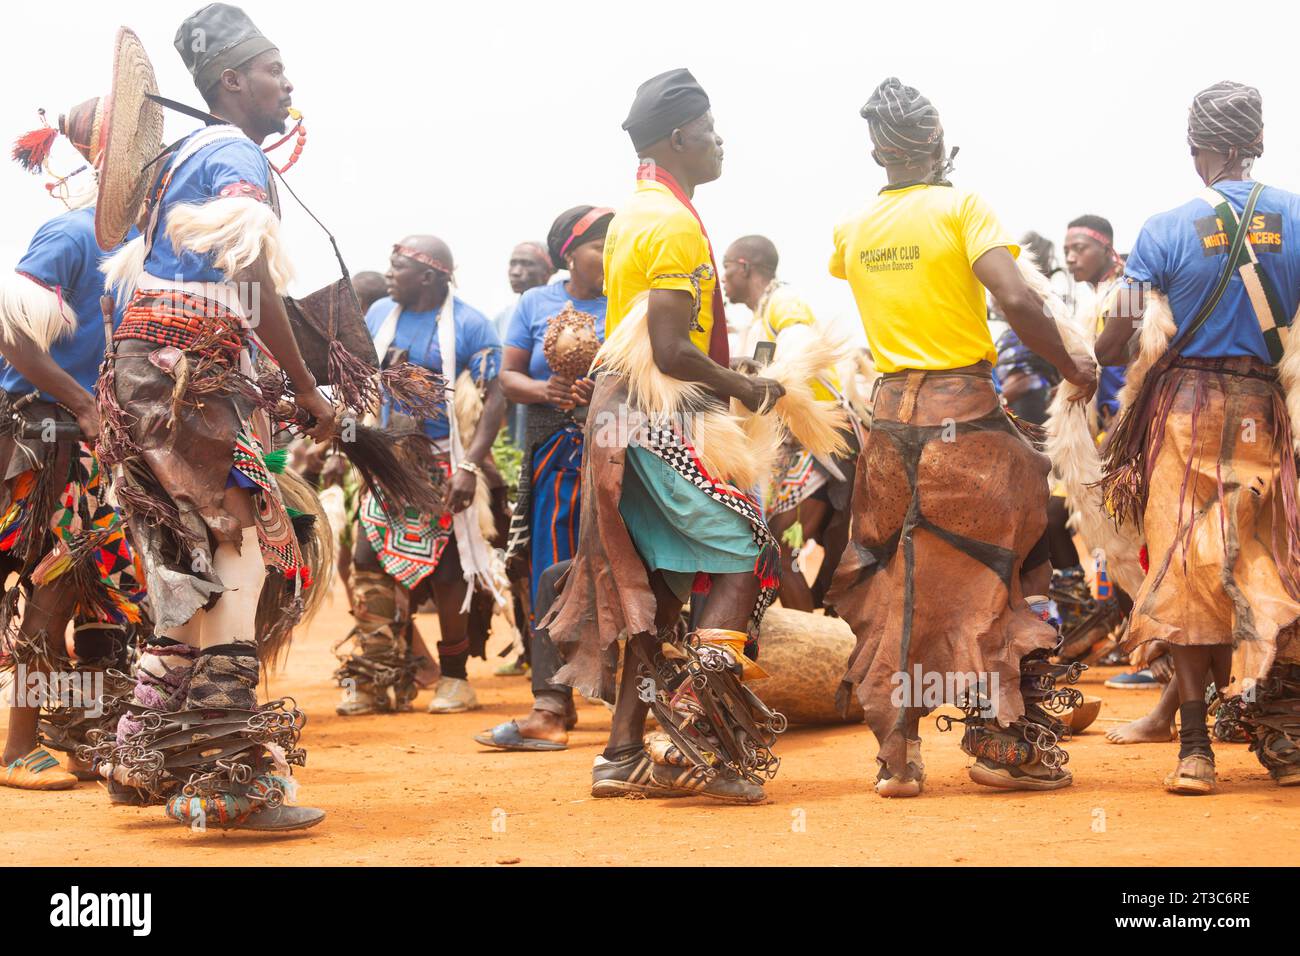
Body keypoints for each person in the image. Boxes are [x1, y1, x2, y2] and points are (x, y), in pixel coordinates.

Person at [95, 3, 334, 830]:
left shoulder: (175, 159)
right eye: (274, 69)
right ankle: (227, 780)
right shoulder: (233, 153)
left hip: (150, 370)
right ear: (231, 80)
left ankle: (141, 752)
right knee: (243, 549)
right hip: (188, 372)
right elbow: (252, 276)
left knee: (195, 568)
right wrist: (304, 386)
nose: (287, 83)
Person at [825, 78, 1096, 798]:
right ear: (940, 144)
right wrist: (1073, 363)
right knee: (999, 564)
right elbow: (1014, 296)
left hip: (887, 423)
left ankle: (898, 759)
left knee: (891, 579)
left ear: (878, 149)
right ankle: (1004, 745)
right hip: (964, 416)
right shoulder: (961, 205)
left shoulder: (852, 228)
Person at [541, 69, 788, 804]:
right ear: (680, 137)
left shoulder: (636, 214)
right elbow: (672, 347)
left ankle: (621, 753)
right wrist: (747, 386)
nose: (720, 142)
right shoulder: (672, 223)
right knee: (748, 545)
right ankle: (700, 738)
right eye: (711, 130)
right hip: (653, 411)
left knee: (659, 586)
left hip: (623, 414)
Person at [1096, 81, 1300, 792]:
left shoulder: (1161, 228)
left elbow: (1113, 338)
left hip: (1183, 410)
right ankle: (1285, 733)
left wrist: (1105, 340)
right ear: (1259, 145)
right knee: (1267, 558)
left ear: (1196, 152)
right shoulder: (1298, 216)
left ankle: (1194, 752)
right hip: (1266, 412)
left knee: (1184, 572)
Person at [0, 97, 146, 791]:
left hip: (92, 445)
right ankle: (18, 749)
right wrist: (85, 401)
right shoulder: (71, 234)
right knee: (51, 587)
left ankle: (79, 730)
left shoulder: (136, 245)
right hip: (42, 437)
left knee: (101, 592)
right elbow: (12, 333)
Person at [336, 235, 505, 717]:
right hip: (387, 461)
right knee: (368, 562)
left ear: (428, 276)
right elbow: (355, 378)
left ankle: (454, 678)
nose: (389, 276)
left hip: (443, 461)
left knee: (449, 570)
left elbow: (495, 397)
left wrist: (470, 466)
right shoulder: (378, 317)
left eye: (398, 267)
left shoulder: (472, 325)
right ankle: (376, 677)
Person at [475, 205, 610, 750]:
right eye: (601, 244)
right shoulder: (536, 303)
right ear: (570, 252)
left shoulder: (631, 301)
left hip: (618, 447)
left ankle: (625, 696)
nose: (612, 254)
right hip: (555, 451)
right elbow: (508, 377)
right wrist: (547, 391)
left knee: (617, 567)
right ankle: (551, 705)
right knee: (550, 569)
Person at [721, 234, 861, 611]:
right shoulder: (762, 315)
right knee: (786, 551)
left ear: (745, 266)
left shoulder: (784, 303)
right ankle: (818, 632)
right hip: (801, 445)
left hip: (817, 444)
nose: (724, 277)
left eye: (727, 267)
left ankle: (811, 646)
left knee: (782, 550)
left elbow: (798, 345)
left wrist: (764, 379)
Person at [494, 242, 554, 449]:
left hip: (548, 418)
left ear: (548, 272)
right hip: (509, 417)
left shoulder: (560, 312)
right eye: (513, 264)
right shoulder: (502, 318)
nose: (517, 272)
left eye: (527, 264)